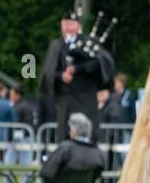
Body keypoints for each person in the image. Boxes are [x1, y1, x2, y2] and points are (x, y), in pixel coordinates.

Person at [40, 9, 115, 141]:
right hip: (65, 100)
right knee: (65, 136)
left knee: (89, 135)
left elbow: (101, 63)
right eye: (65, 24)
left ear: (78, 25)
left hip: (86, 98)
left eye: (71, 23)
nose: (68, 27)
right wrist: (61, 76)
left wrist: (78, 69)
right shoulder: (56, 45)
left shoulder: (89, 42)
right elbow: (47, 73)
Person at [39, 110, 108, 183]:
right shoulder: (97, 152)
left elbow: (47, 171)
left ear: (74, 131)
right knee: (61, 181)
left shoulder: (66, 148)